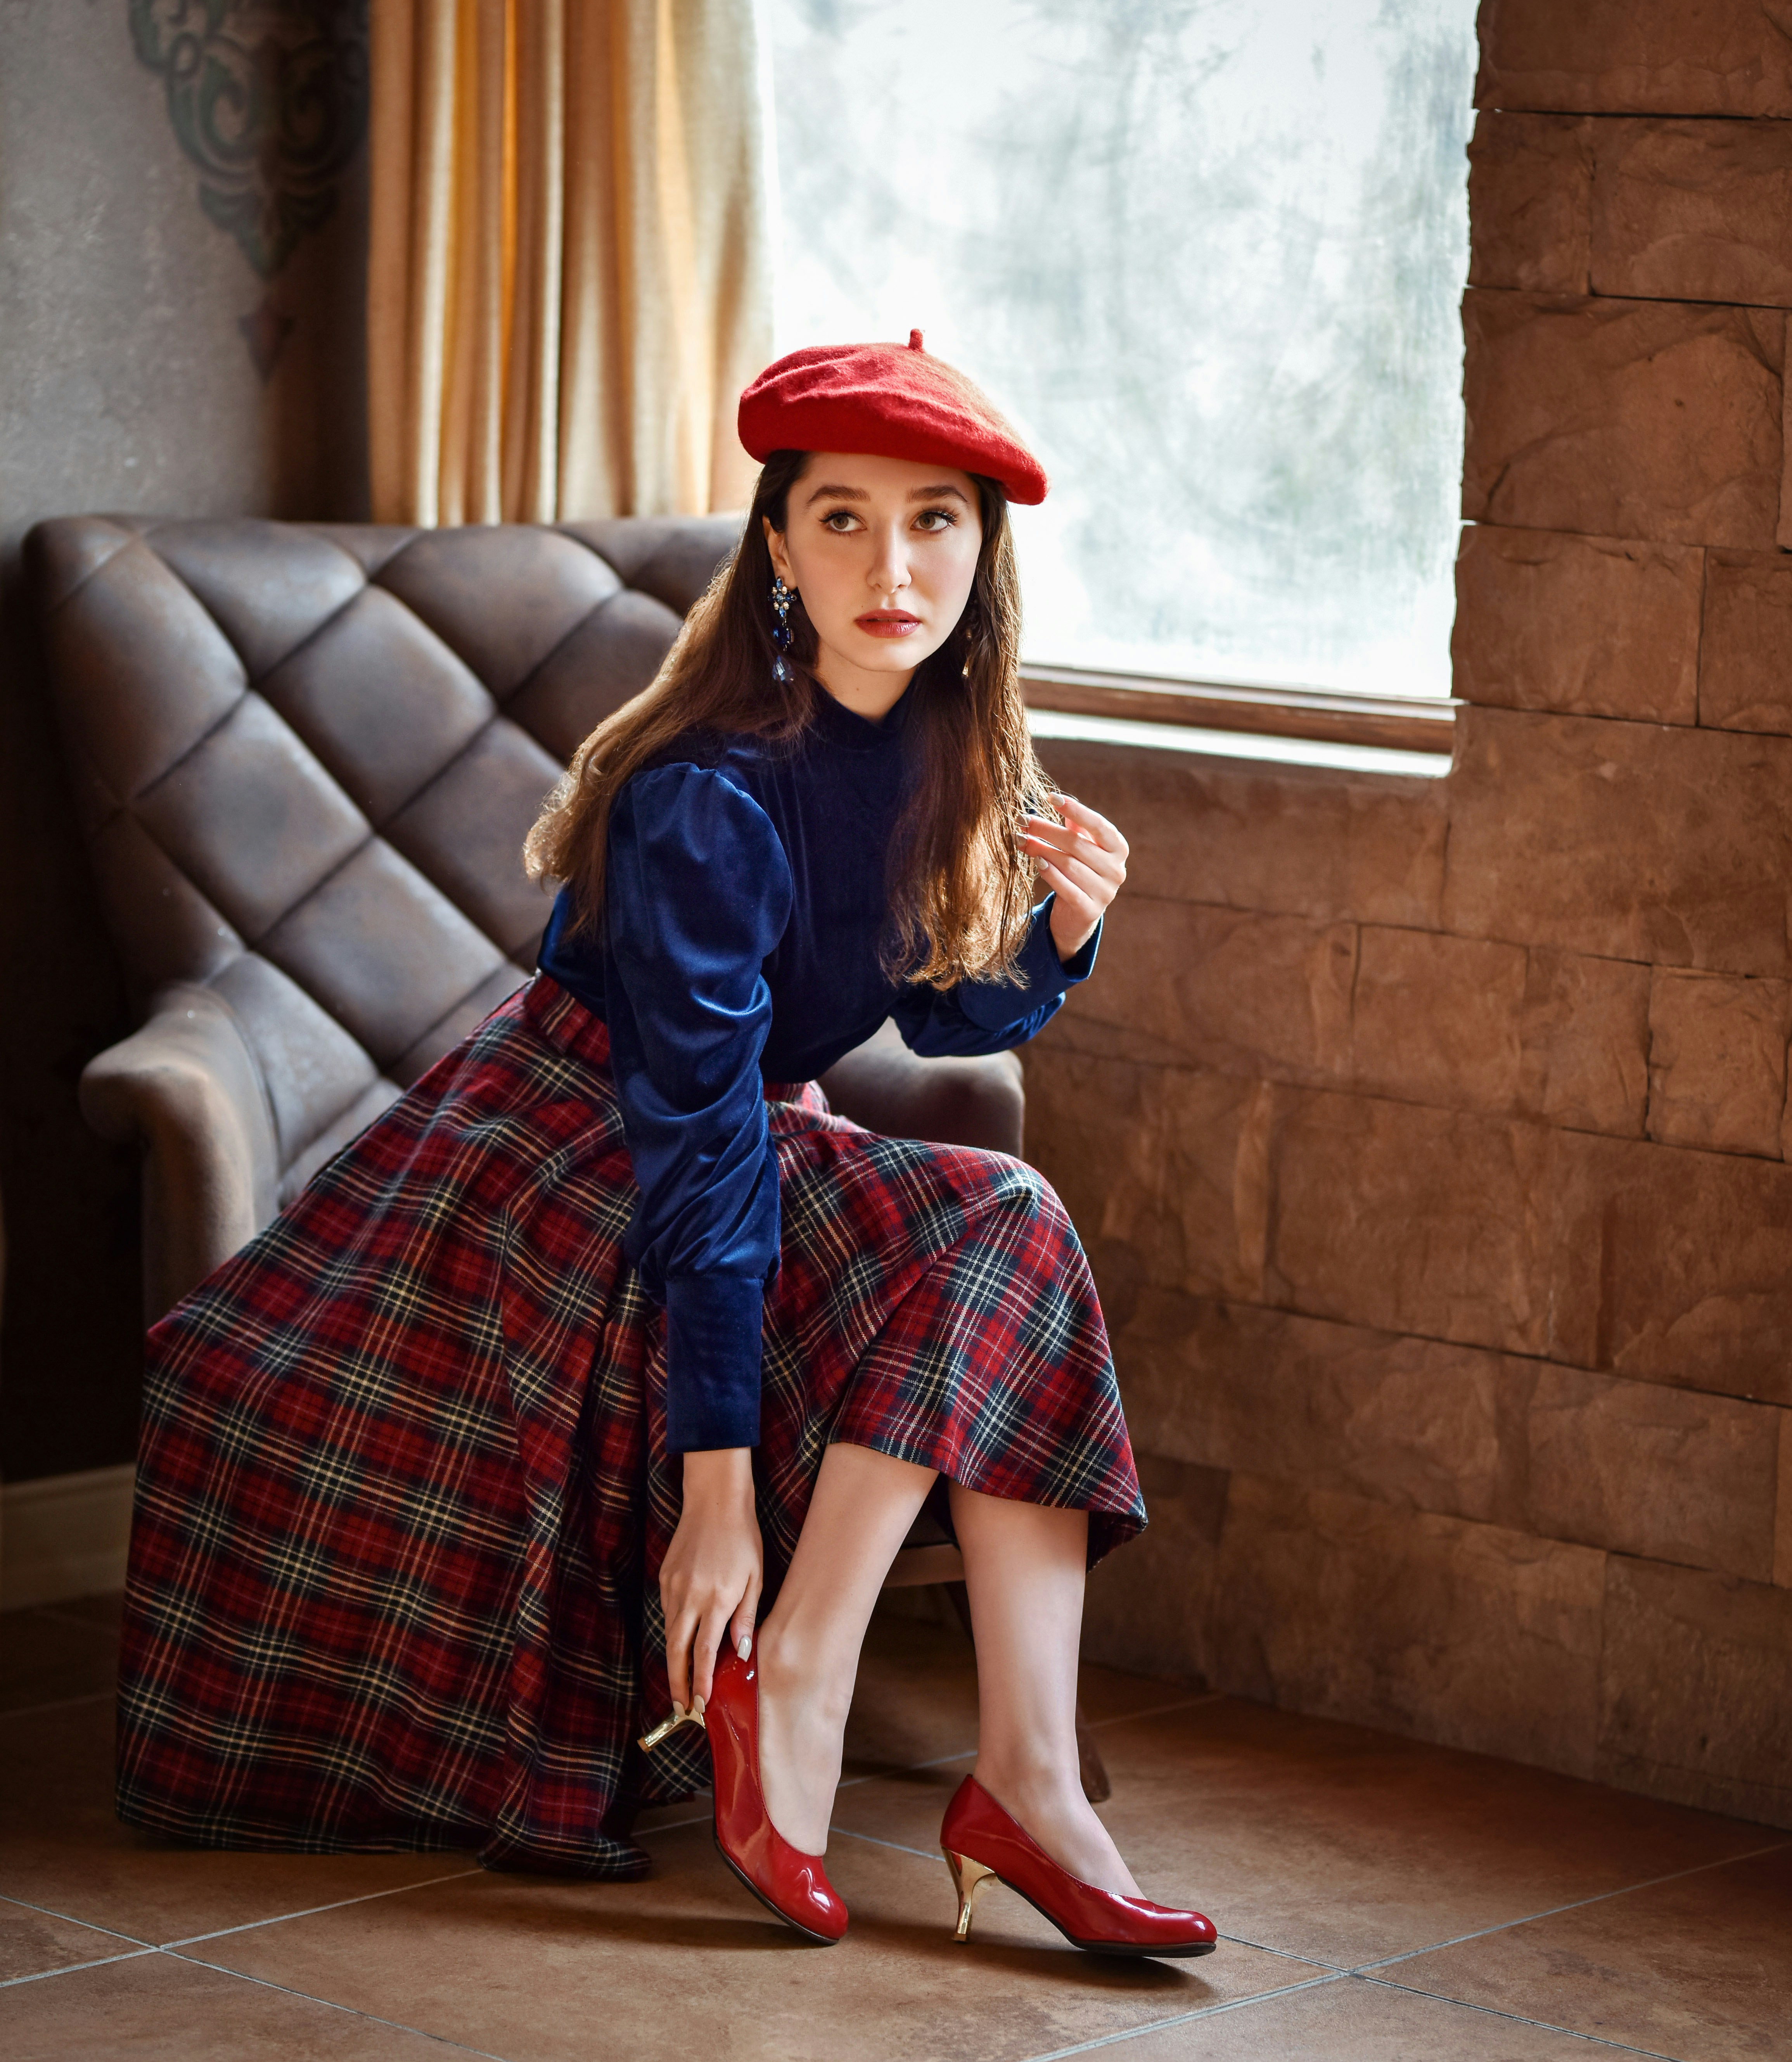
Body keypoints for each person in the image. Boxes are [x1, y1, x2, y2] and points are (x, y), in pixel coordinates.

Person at [114, 332, 1216, 1960]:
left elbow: (935, 1013)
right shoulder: (710, 789)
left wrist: (1059, 931)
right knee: (998, 1227)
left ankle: (1016, 1771)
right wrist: (719, 1498)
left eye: (934, 524)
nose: (890, 565)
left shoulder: (937, 744)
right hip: (567, 1153)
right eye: (841, 520)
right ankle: (836, 1696)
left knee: (1008, 1225)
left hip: (738, 1138)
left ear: (985, 558)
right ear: (776, 544)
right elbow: (696, 1142)